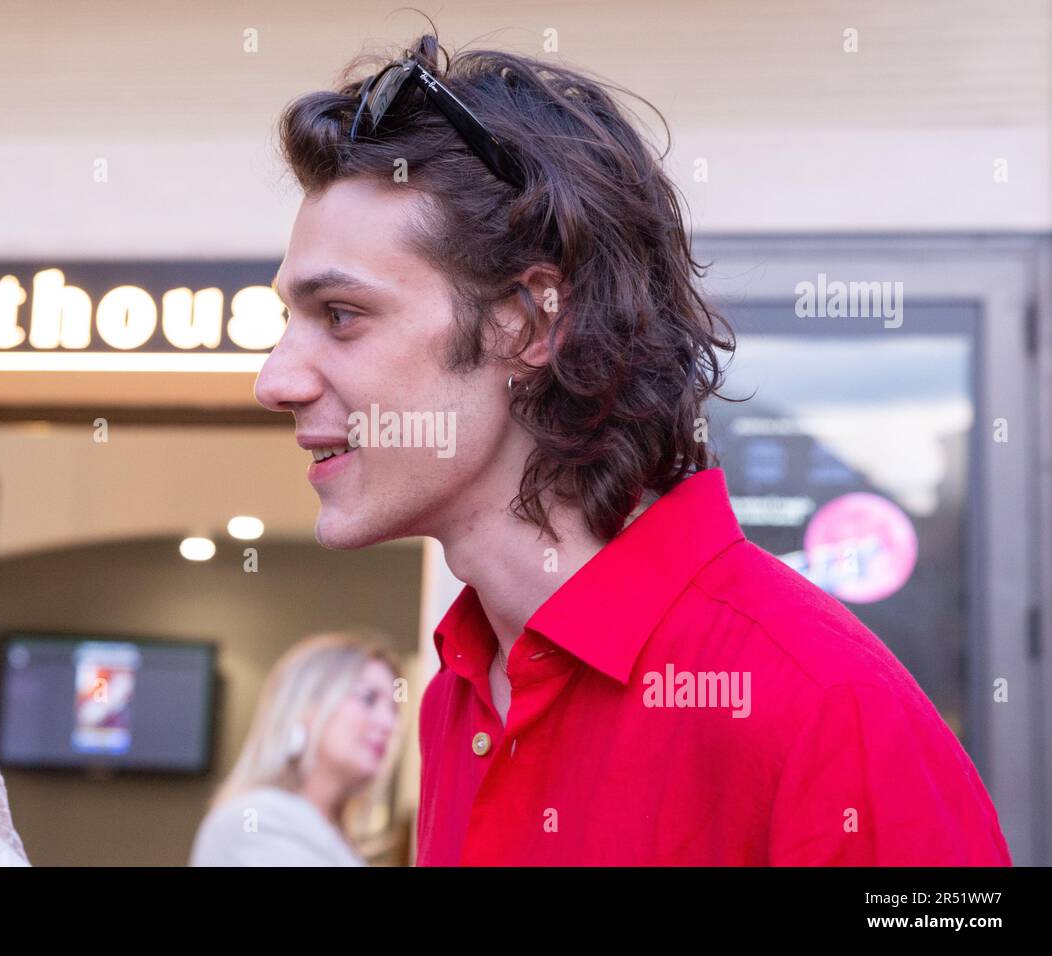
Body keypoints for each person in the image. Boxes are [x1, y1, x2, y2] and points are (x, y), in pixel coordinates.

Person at [253, 28, 1013, 865]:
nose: (277, 380)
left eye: (342, 316)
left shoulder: (827, 709)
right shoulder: (457, 700)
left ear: (531, 321)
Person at [189, 632, 401, 866]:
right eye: (368, 699)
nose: (388, 723)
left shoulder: (334, 835)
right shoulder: (256, 819)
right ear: (305, 705)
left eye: (394, 709)